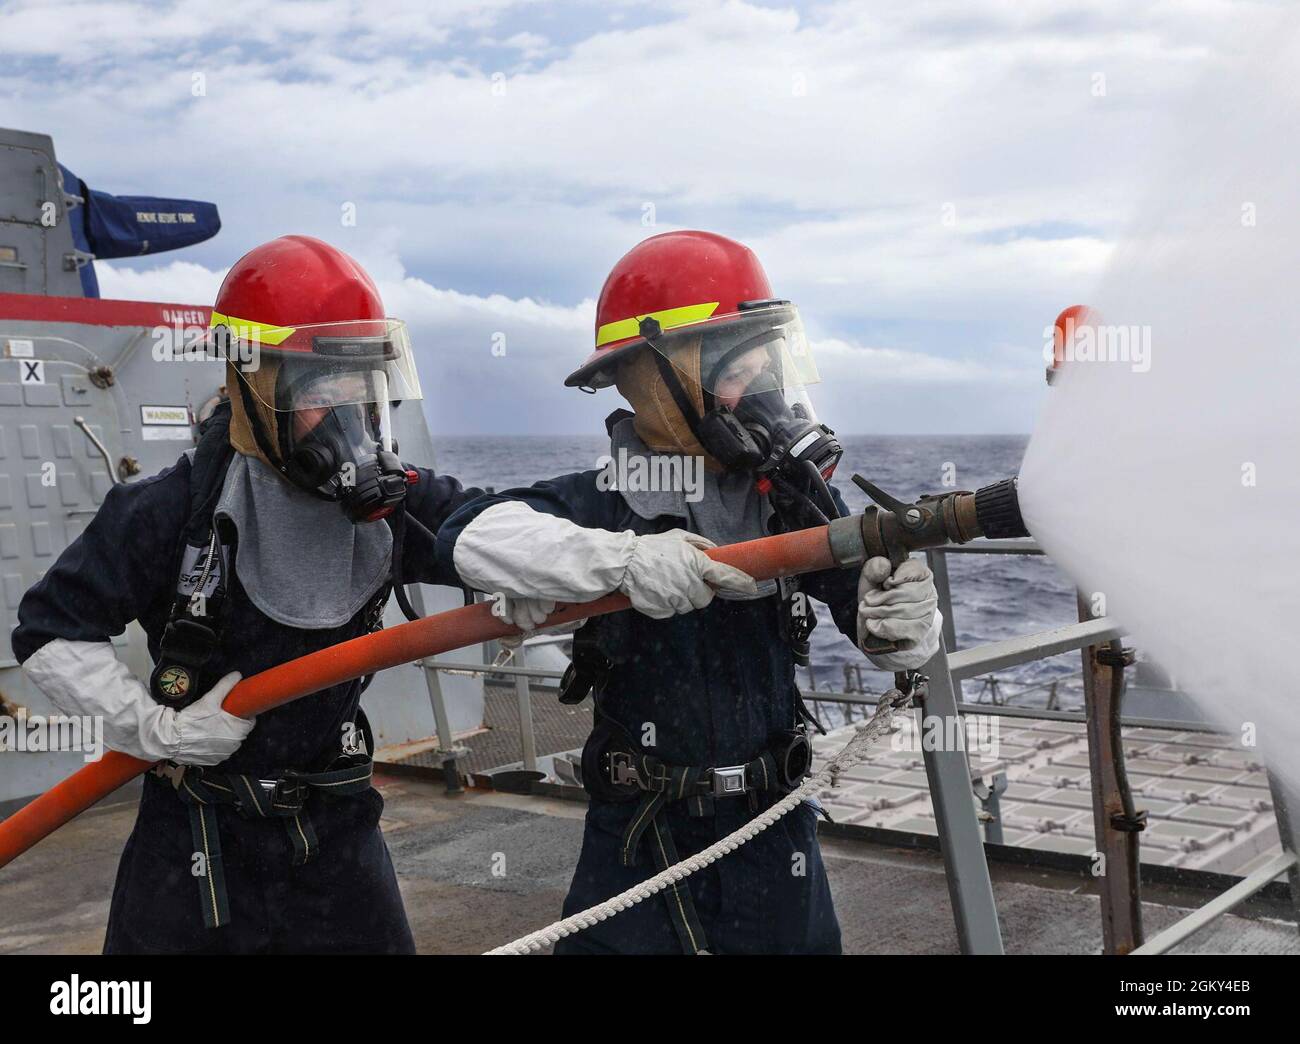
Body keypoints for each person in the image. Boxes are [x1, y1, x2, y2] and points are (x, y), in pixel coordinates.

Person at [436, 230, 941, 954]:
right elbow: (470, 532)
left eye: (766, 371)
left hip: (772, 822)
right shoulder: (601, 503)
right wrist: (619, 561)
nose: (760, 396)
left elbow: (883, 631)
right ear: (653, 380)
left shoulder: (794, 503)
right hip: (637, 830)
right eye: (737, 372)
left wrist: (905, 618)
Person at [13, 235, 480, 954]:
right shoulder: (165, 513)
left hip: (337, 834)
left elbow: (488, 524)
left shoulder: (394, 506)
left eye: (358, 390)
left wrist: (586, 563)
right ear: (247, 383)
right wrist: (153, 729)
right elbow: (49, 631)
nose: (350, 422)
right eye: (321, 391)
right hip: (197, 840)